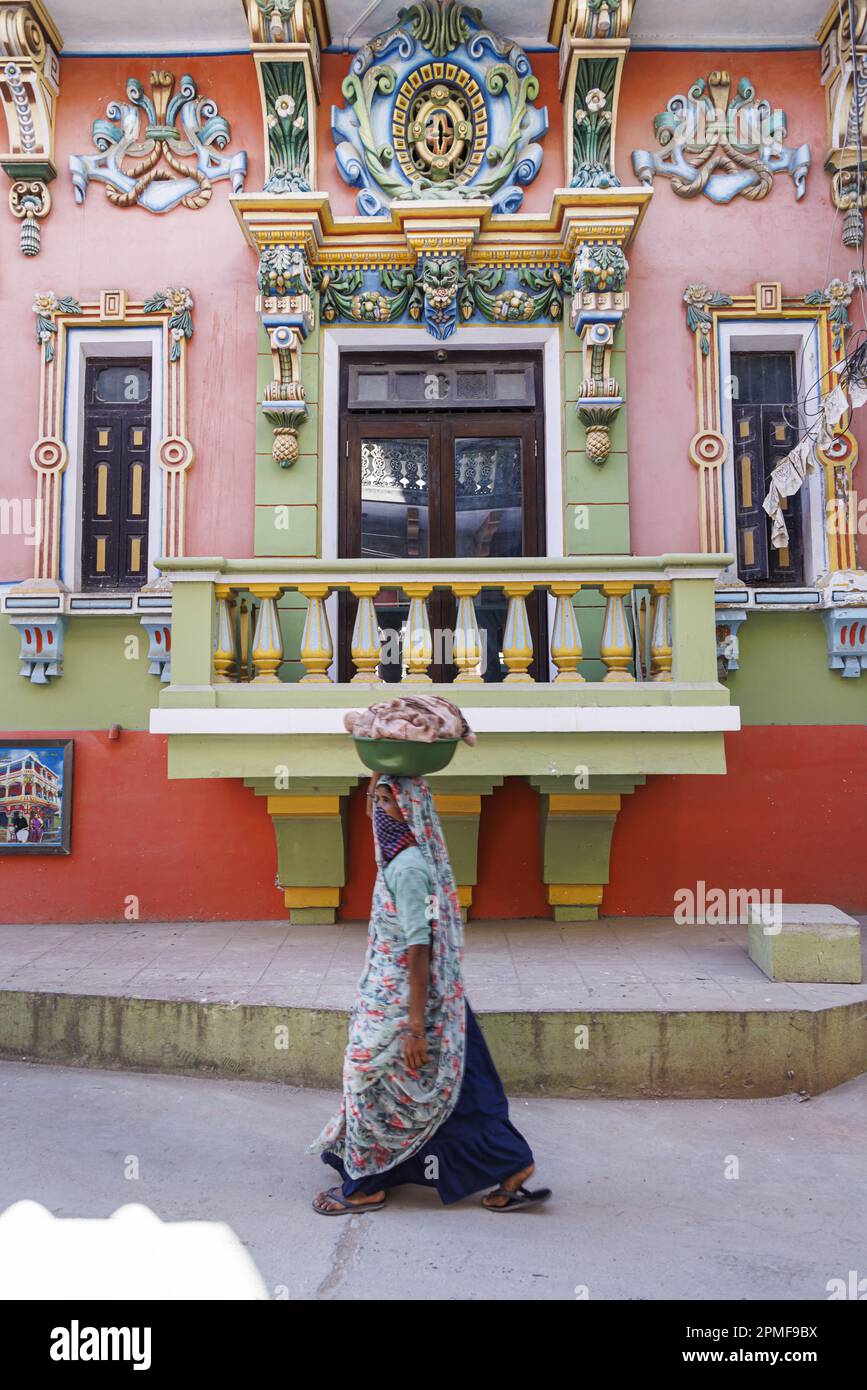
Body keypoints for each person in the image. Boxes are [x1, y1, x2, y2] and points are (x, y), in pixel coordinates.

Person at [308, 771, 551, 1214]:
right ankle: (511, 1165)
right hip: (424, 996)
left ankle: (366, 1186)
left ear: (412, 809)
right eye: (377, 801)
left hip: (408, 1001)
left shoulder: (410, 868)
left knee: (368, 1079)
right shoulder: (400, 856)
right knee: (460, 1084)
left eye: (388, 802)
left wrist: (415, 1027)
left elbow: (420, 947)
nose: (378, 812)